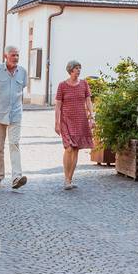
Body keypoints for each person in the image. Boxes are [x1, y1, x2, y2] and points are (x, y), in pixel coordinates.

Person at [0, 46, 27, 189]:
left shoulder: (22, 72)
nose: (16, 58)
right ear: (5, 56)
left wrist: (21, 108)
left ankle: (16, 177)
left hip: (15, 114)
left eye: (17, 55)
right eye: (13, 55)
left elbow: (22, 92)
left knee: (14, 143)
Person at [53, 60, 94, 190]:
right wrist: (57, 123)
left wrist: (92, 117)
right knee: (69, 148)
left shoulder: (84, 84)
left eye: (79, 68)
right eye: (76, 68)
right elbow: (58, 105)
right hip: (66, 121)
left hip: (80, 120)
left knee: (76, 149)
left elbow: (88, 101)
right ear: (70, 70)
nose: (79, 70)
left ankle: (70, 179)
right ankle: (66, 178)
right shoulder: (62, 86)